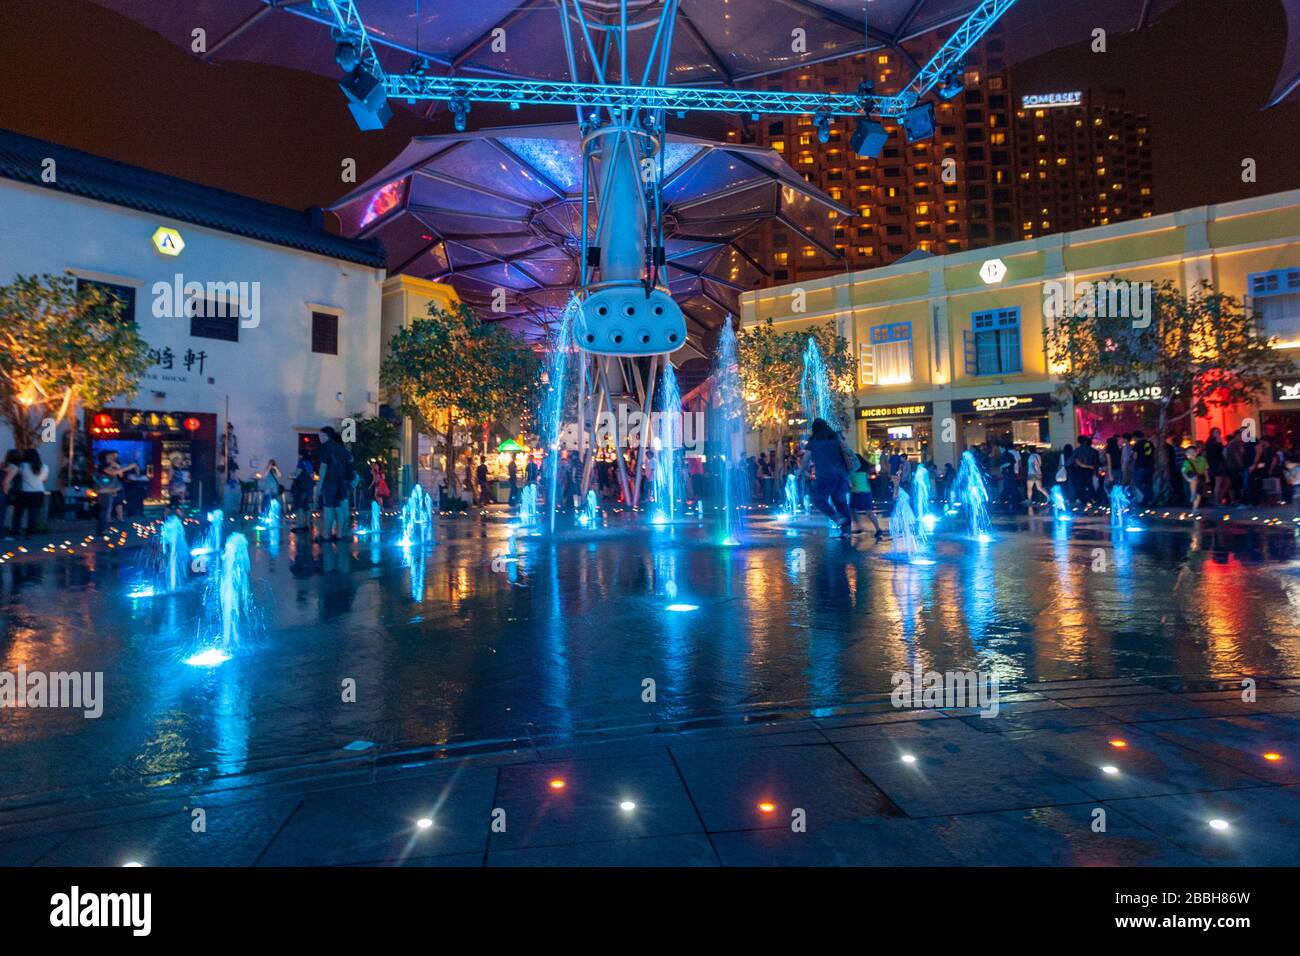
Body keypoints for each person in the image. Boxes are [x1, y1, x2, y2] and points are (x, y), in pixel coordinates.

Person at [802, 418, 856, 537]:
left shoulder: (813, 441)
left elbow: (806, 459)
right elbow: (846, 450)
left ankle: (835, 516)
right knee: (840, 502)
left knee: (818, 499)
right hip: (842, 475)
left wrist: (801, 471)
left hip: (825, 475)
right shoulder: (836, 437)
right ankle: (846, 531)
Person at [315, 426, 353, 542]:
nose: (319, 438)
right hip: (341, 482)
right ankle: (339, 534)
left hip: (329, 482)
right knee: (338, 507)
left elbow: (323, 466)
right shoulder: (340, 448)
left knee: (328, 507)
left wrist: (319, 485)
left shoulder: (325, 447)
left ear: (327, 436)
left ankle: (326, 535)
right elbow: (351, 459)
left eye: (321, 436)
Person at [92, 449, 133, 536]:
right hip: (104, 491)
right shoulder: (103, 466)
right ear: (106, 457)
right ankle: (102, 530)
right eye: (111, 456)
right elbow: (114, 473)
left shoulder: (109, 465)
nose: (113, 457)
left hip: (109, 490)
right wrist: (129, 467)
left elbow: (119, 475)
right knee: (105, 510)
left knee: (107, 509)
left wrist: (117, 466)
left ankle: (103, 529)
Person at [848, 452, 884, 539]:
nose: (850, 460)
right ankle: (875, 529)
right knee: (858, 510)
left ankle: (863, 527)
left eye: (852, 459)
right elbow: (867, 481)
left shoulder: (852, 469)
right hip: (864, 492)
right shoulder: (863, 469)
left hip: (859, 492)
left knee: (860, 511)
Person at [1070, 435, 1100, 505]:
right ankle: (1093, 499)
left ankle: (1083, 501)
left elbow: (1071, 461)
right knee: (1090, 485)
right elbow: (1097, 462)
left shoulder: (1077, 451)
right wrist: (1095, 471)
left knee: (1081, 486)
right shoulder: (1094, 451)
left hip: (1079, 471)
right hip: (1090, 470)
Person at [1181, 441, 1208, 509]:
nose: (1191, 454)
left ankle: (1195, 508)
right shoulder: (1187, 462)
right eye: (1189, 452)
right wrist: (1188, 479)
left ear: (1197, 452)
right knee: (1194, 478)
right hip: (1191, 477)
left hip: (1200, 477)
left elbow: (1205, 469)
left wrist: (1207, 478)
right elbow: (1184, 472)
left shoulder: (1202, 459)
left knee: (1199, 493)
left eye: (1193, 452)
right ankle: (1193, 493)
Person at [290, 454, 314, 530]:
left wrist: (292, 476)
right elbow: (311, 475)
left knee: (299, 505)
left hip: (301, 487)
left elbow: (297, 473)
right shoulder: (309, 464)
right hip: (308, 487)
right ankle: (307, 524)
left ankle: (300, 525)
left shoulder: (301, 463)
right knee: (306, 506)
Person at [1, 449, 21, 540]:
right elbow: (6, 481)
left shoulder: (2, 464)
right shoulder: (14, 468)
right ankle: (1, 536)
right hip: (1, 491)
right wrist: (5, 493)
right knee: (1, 514)